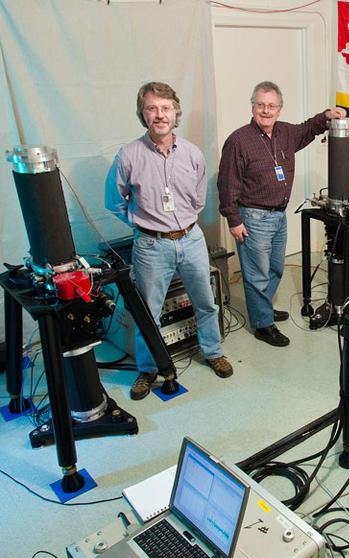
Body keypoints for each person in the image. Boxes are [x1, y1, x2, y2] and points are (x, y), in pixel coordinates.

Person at [106, 81, 233, 400]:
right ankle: (148, 370)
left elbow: (200, 197)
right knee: (147, 313)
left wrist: (184, 224)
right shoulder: (128, 155)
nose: (159, 114)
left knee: (205, 303)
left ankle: (213, 351)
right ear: (143, 114)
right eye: (152, 108)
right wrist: (143, 224)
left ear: (175, 113)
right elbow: (114, 200)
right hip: (150, 247)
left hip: (191, 240)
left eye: (165, 108)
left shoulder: (192, 154)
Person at [217, 81, 347, 347]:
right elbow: (227, 183)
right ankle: (263, 325)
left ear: (279, 108)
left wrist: (327, 116)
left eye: (271, 106)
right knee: (257, 274)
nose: (266, 110)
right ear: (252, 106)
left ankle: (262, 309)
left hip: (278, 216)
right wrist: (234, 220)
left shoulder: (286, 133)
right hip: (253, 217)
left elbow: (309, 128)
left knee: (275, 269)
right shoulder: (238, 141)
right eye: (261, 105)